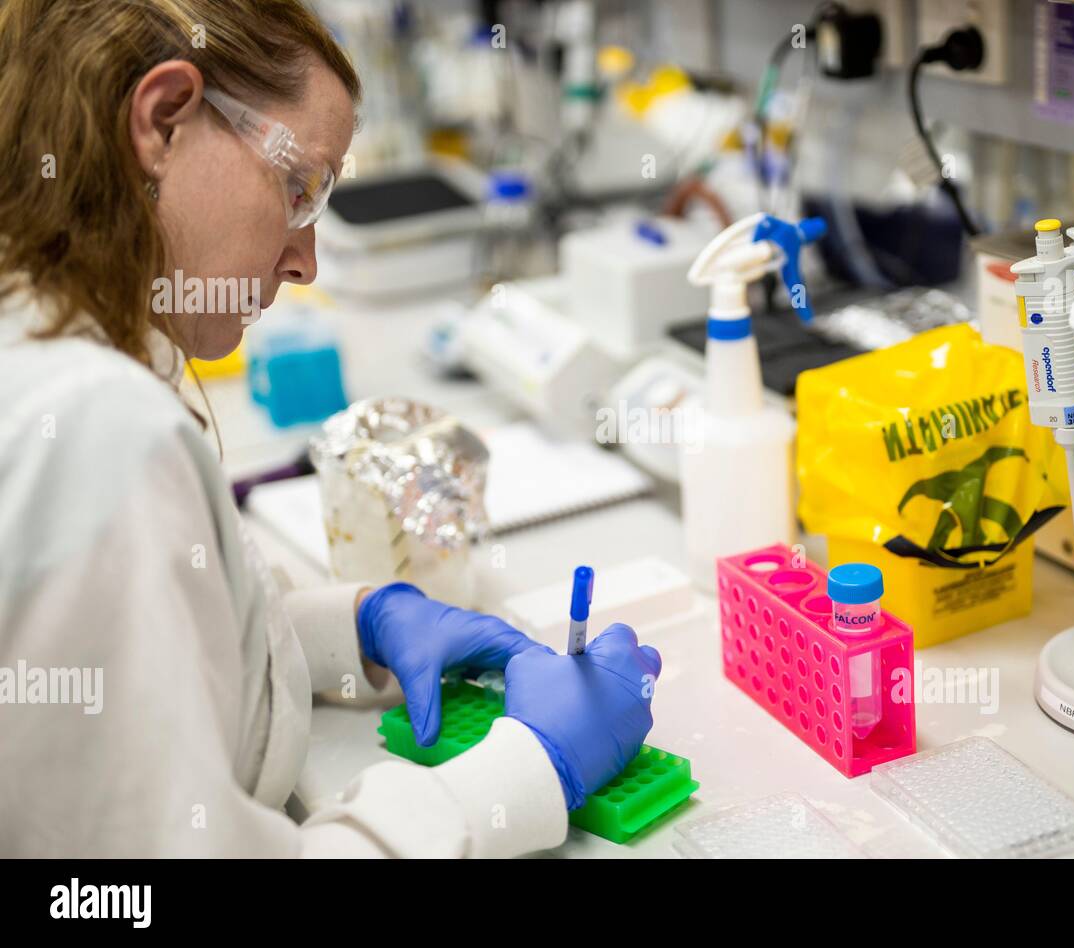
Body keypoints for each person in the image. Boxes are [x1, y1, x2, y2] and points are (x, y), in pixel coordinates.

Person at [0, 0, 660, 858]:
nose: (307, 258)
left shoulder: (55, 338)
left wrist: (348, 631)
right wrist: (529, 769)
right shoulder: (93, 430)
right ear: (162, 121)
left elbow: (142, 658)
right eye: (298, 188)